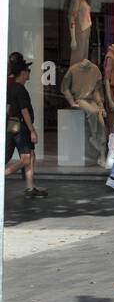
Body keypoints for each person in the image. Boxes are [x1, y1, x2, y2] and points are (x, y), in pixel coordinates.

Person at [6, 58, 47, 198]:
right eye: (28, 71)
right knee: (25, 159)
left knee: (30, 157)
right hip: (21, 127)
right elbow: (24, 111)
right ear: (23, 73)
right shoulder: (20, 90)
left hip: (16, 125)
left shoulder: (14, 88)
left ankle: (30, 188)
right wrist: (32, 130)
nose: (29, 73)